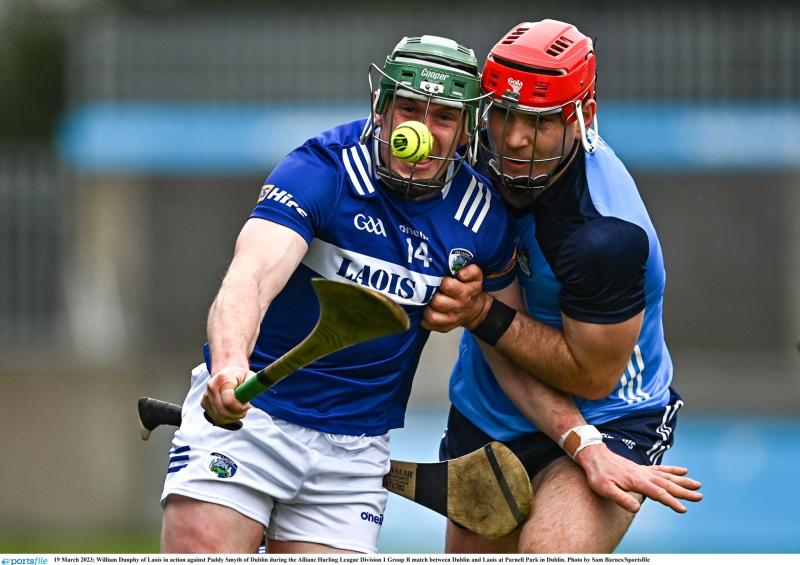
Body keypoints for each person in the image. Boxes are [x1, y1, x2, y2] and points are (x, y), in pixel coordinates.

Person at [160, 33, 698, 555]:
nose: (422, 129)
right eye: (409, 108)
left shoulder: (511, 219)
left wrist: (585, 441)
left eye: (442, 116)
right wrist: (229, 365)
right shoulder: (323, 170)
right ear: (381, 109)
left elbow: (523, 352)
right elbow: (249, 276)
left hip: (361, 451)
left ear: (463, 129)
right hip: (254, 417)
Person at [423, 20, 702, 553]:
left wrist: (479, 312)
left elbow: (592, 377)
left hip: (612, 412)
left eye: (540, 121)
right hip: (489, 410)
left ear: (583, 117)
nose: (514, 138)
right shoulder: (469, 156)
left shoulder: (603, 235)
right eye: (501, 114)